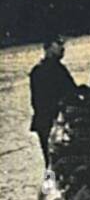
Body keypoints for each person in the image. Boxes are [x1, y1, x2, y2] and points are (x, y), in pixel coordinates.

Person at [29, 36, 77, 165]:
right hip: (50, 120)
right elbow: (39, 101)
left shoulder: (58, 69)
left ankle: (52, 181)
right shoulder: (41, 71)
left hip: (56, 119)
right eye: (59, 44)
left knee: (54, 159)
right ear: (48, 48)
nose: (63, 48)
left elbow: (73, 92)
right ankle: (51, 182)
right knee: (51, 159)